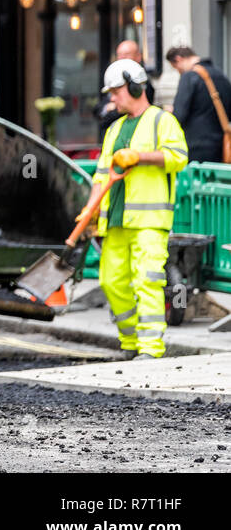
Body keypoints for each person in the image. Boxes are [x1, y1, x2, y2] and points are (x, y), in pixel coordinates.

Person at [83, 59, 187, 359]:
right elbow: (102, 175)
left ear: (135, 86)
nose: (111, 98)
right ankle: (129, 341)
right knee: (110, 280)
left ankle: (151, 348)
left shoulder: (161, 121)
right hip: (115, 220)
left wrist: (139, 156)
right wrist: (89, 211)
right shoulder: (114, 129)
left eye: (116, 91)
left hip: (150, 220)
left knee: (148, 280)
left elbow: (178, 157)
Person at [166, 46, 231, 164]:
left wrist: (171, 112)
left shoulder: (189, 76)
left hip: (196, 147)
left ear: (179, 59)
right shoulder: (221, 75)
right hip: (221, 146)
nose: (179, 72)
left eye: (176, 68)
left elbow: (179, 115)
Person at [97, 40, 155, 134]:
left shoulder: (159, 121)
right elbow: (98, 109)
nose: (112, 98)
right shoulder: (115, 128)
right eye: (119, 54)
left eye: (127, 54)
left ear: (135, 90)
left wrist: (113, 110)